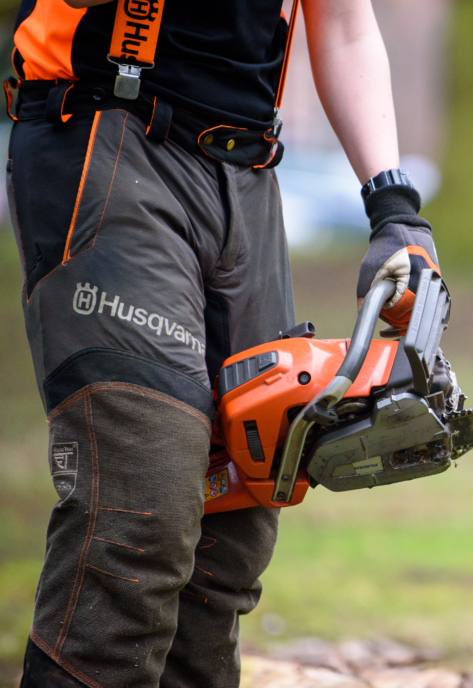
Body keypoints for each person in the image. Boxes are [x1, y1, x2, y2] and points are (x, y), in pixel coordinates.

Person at [6, 0, 439, 685]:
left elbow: (348, 26)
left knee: (232, 525)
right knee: (138, 508)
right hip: (110, 133)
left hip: (247, 173)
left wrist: (394, 207)